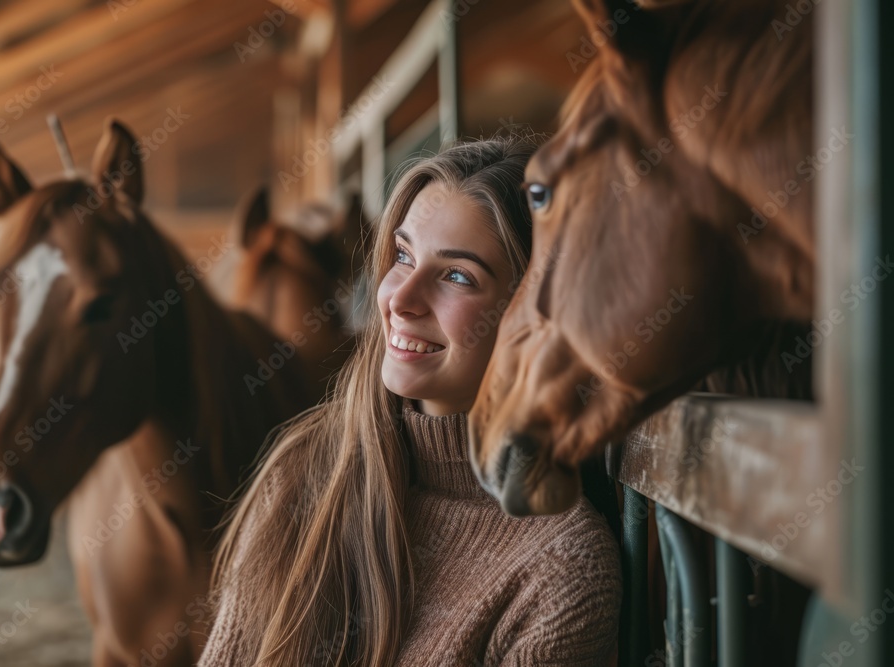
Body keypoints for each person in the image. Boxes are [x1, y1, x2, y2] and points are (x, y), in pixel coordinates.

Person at [199, 135, 621, 666]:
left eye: (457, 276)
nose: (399, 297)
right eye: (403, 255)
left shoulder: (562, 570)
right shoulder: (303, 474)